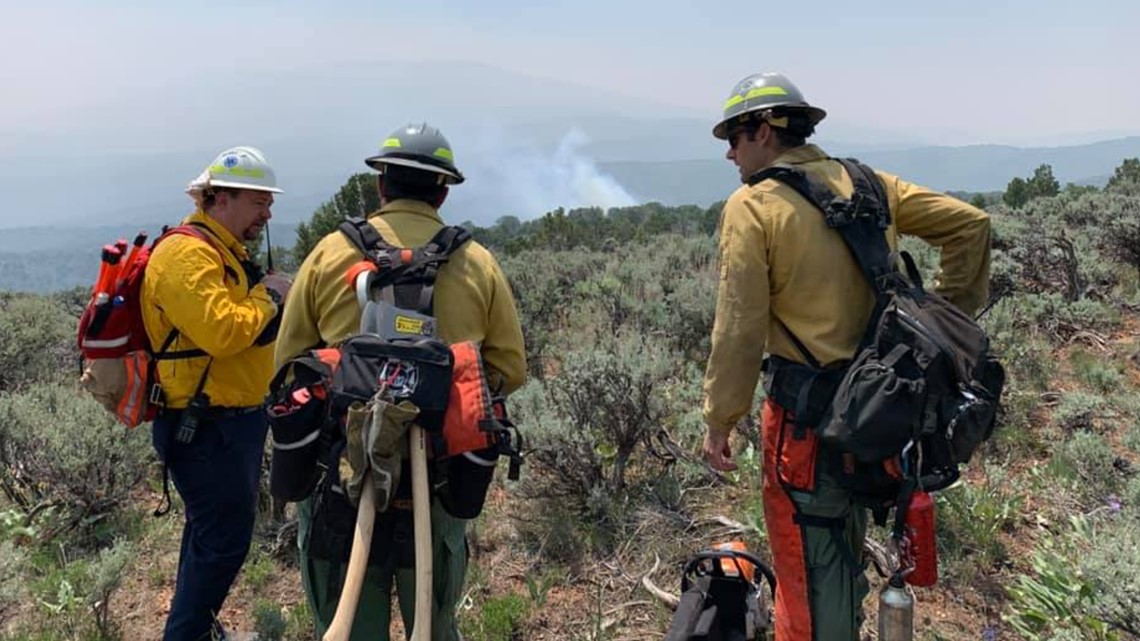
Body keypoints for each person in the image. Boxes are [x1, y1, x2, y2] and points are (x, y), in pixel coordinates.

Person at [700, 72, 992, 641]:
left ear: (765, 130)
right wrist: (944, 319)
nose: (730, 153)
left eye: (734, 137)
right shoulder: (867, 182)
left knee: (808, 576)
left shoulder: (753, 207)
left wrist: (719, 422)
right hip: (879, 413)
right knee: (845, 547)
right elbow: (970, 226)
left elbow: (738, 329)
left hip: (804, 429)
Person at [274, 122, 526, 641]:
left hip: (339, 480)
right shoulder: (477, 263)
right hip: (437, 481)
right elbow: (509, 368)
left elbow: (288, 363)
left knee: (348, 622)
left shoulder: (328, 254)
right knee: (432, 622)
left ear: (381, 185)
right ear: (443, 191)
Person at [143, 146, 292, 641]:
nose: (268, 213)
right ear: (219, 199)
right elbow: (223, 332)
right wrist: (270, 294)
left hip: (227, 424)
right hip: (205, 429)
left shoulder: (221, 251)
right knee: (223, 543)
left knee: (209, 538)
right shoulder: (186, 255)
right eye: (258, 202)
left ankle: (195, 630)